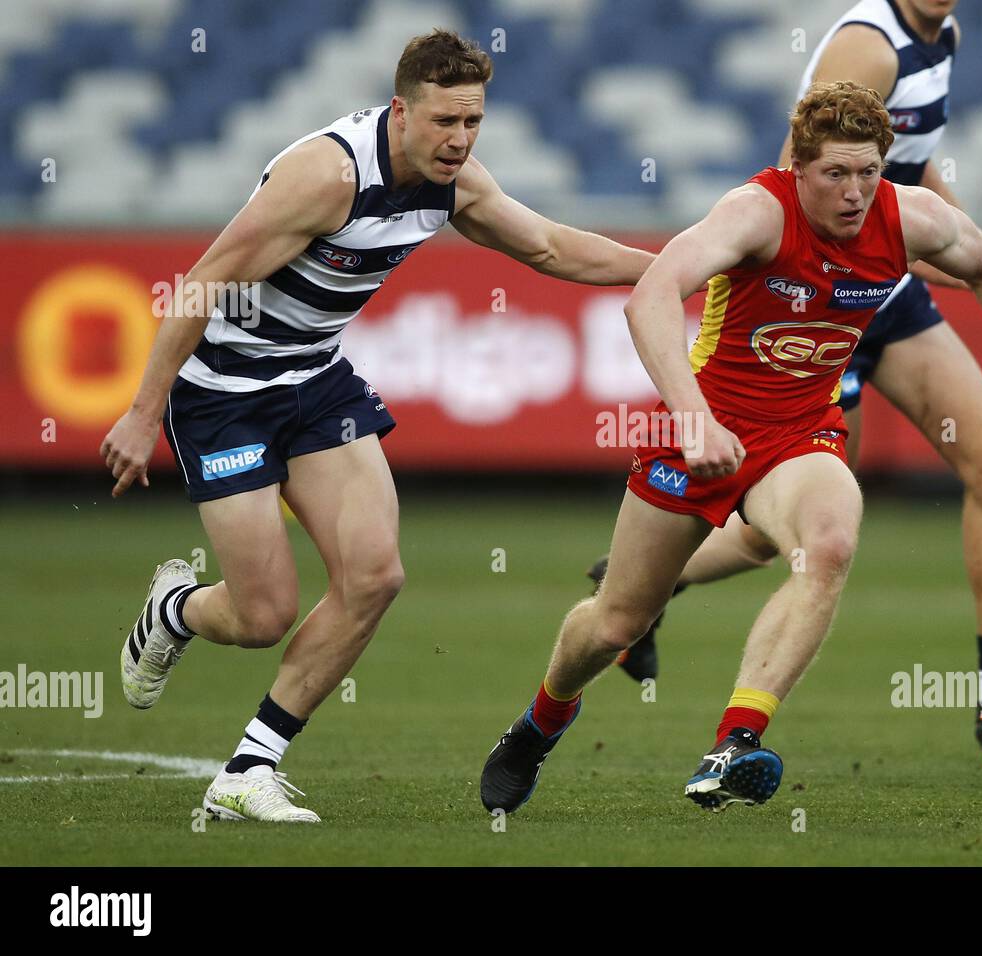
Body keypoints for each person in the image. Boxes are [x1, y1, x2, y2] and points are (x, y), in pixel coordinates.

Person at [481, 80, 982, 816]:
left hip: (801, 434)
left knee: (828, 543)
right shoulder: (755, 212)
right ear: (798, 168)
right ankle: (540, 722)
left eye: (869, 172)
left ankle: (733, 742)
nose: (855, 191)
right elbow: (650, 297)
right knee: (616, 623)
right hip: (703, 425)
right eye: (836, 173)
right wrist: (695, 417)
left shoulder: (908, 217)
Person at [100, 30, 655, 823]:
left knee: (375, 575)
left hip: (316, 382)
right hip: (225, 391)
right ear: (401, 112)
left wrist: (681, 264)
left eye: (472, 123)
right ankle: (176, 611)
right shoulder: (325, 178)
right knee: (261, 616)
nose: (459, 140)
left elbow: (550, 247)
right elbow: (206, 280)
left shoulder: (454, 180)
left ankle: (248, 768)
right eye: (443, 122)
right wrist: (144, 409)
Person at [591, 0, 982, 758]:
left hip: (884, 283)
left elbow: (905, 159)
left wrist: (955, 238)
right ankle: (646, 582)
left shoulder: (944, 35)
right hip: (815, 294)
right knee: (792, 535)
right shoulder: (870, 46)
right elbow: (803, 168)